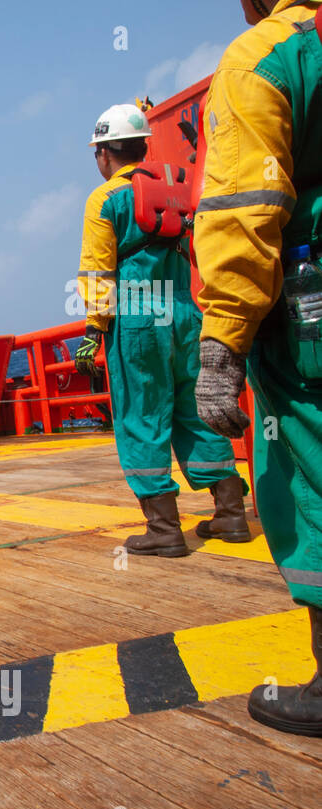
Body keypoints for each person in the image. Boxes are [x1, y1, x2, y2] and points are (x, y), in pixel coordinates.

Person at [194, 0, 322, 735]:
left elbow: (249, 208)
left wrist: (224, 348)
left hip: (305, 313)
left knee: (308, 470)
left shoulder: (263, 57)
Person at [74, 103, 250, 557]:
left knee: (142, 416)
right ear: (142, 147)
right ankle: (231, 514)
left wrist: (94, 329)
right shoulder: (175, 188)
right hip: (185, 315)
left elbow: (97, 272)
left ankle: (164, 529)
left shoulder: (105, 199)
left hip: (137, 323)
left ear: (103, 154)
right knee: (194, 411)